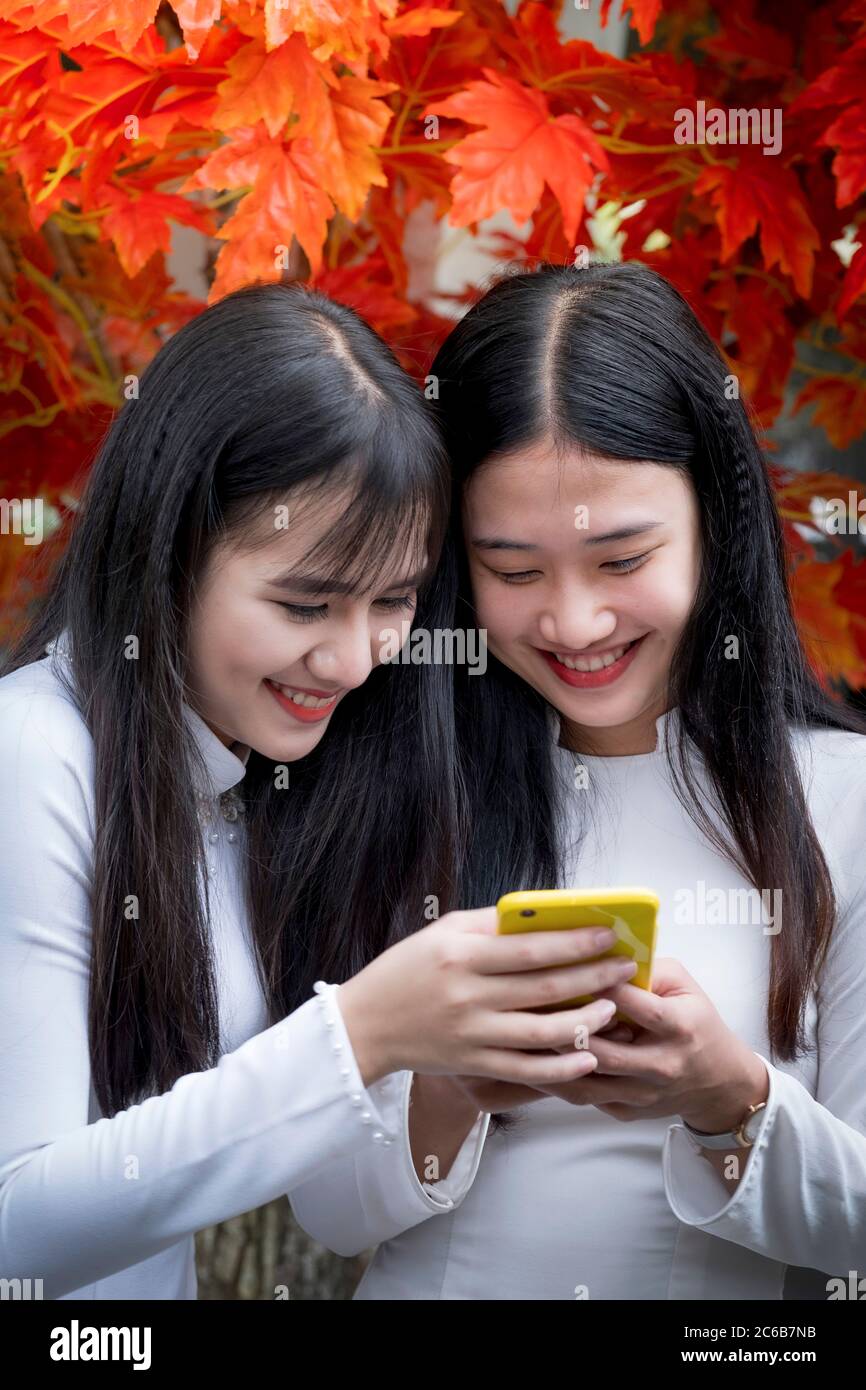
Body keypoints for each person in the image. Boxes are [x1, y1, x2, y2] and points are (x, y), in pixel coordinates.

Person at [0, 281, 626, 1301]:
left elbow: (319, 1201)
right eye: (305, 602)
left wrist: (447, 1078)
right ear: (169, 551)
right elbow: (17, 1225)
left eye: (392, 600)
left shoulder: (253, 770)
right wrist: (362, 1030)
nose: (350, 658)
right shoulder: (35, 750)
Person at [290, 261, 866, 1300]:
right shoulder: (404, 782)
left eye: (620, 558)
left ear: (714, 524)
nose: (571, 623)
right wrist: (451, 1087)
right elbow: (327, 1211)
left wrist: (725, 1097)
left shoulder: (837, 801)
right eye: (512, 571)